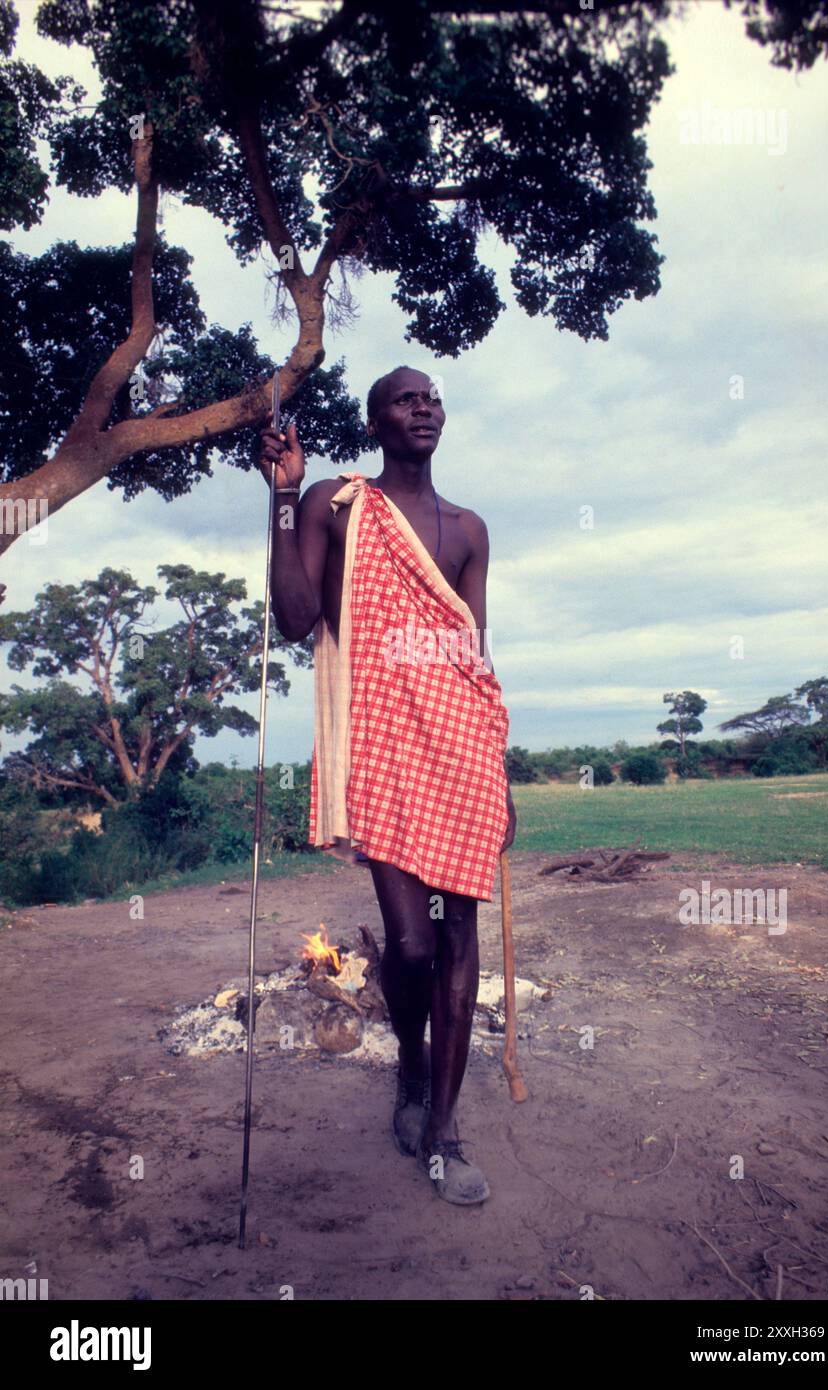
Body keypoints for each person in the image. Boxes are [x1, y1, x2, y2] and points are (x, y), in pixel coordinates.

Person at [258, 365, 516, 1204]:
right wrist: (282, 496)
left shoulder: (469, 529)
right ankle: (410, 1059)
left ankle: (443, 1132)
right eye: (405, 399)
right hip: (379, 749)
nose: (424, 407)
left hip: (460, 753)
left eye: (433, 397)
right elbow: (297, 618)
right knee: (408, 945)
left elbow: (476, 657)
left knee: (455, 942)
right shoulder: (340, 504)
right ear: (374, 423)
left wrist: (500, 773)